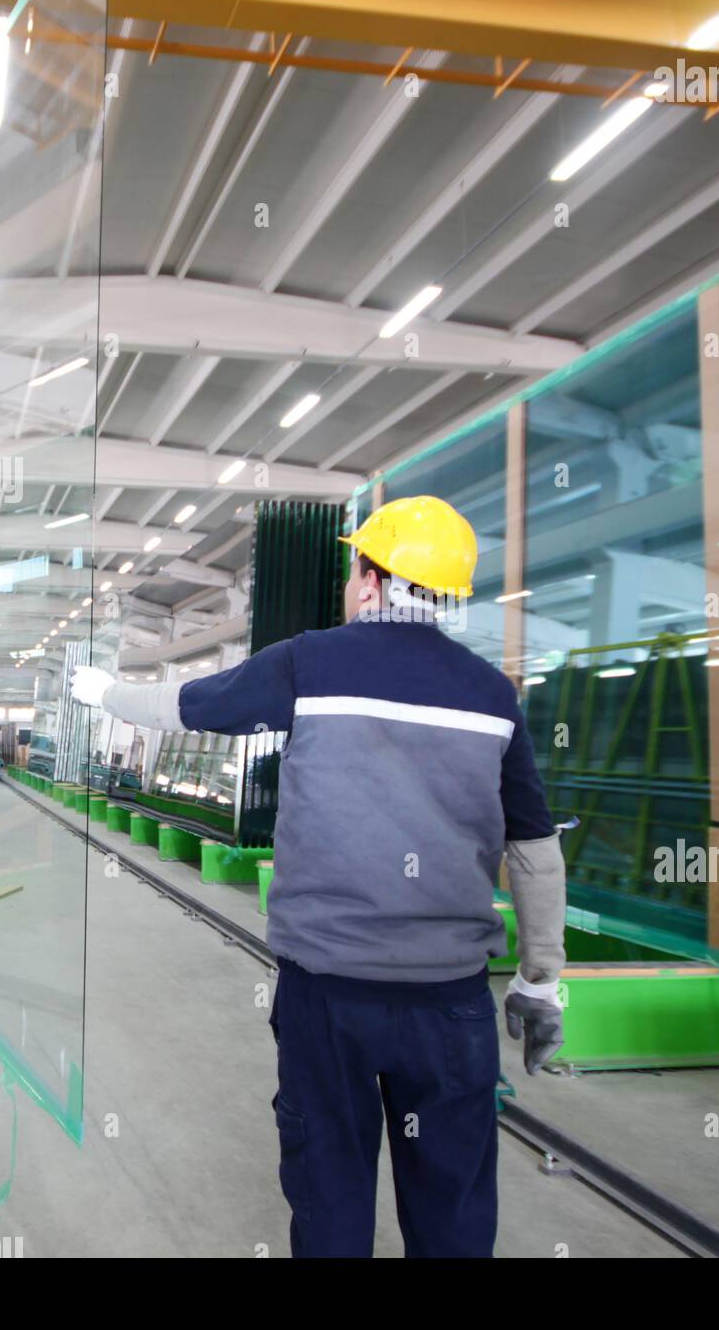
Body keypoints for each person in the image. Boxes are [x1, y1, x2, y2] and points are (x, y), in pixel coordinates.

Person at [71, 494, 567, 1258]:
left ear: (370, 581)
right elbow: (533, 847)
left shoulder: (312, 663)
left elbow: (189, 705)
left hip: (328, 995)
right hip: (452, 1004)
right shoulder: (493, 697)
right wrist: (539, 980)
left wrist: (107, 693)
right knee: (454, 1209)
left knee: (330, 1192)